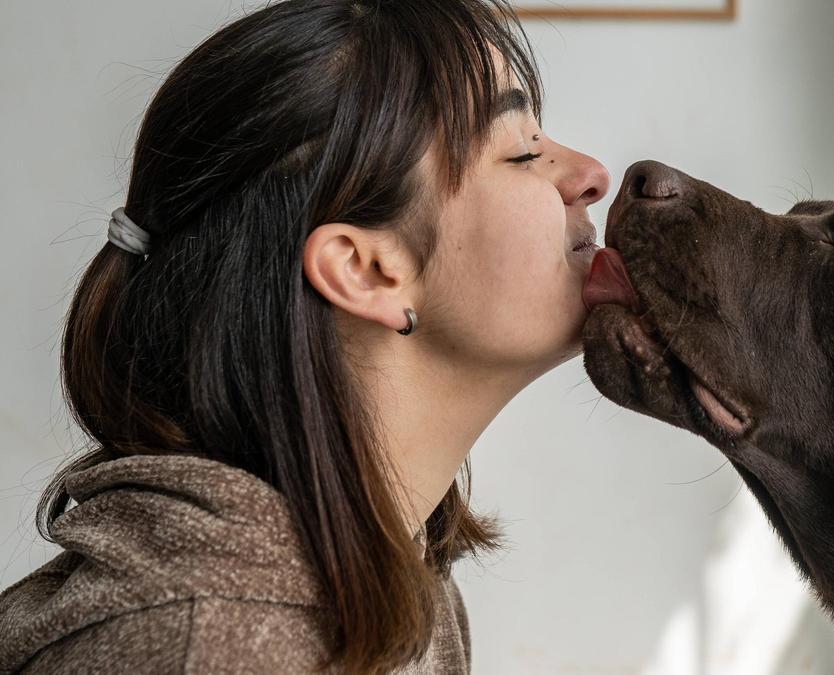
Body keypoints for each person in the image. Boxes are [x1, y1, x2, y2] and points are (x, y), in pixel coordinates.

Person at [0, 1, 608, 673]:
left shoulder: (384, 563)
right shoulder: (209, 648)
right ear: (364, 269)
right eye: (522, 152)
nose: (591, 175)